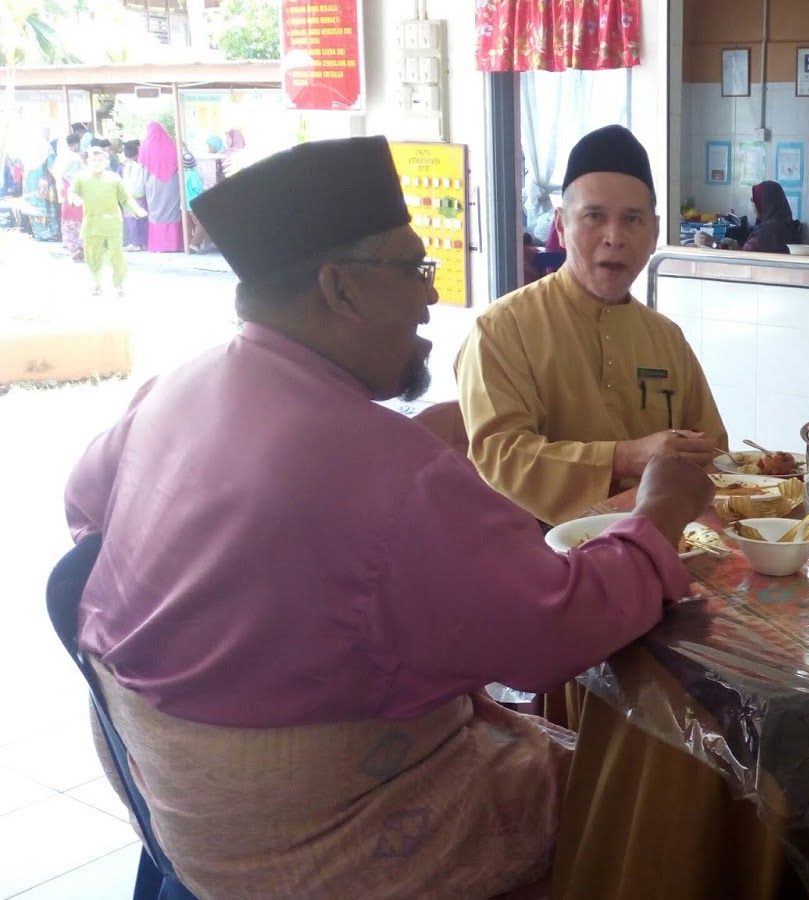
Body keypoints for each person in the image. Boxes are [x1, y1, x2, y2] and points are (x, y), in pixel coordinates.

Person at [64, 135, 714, 898]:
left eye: (633, 220)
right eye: (414, 270)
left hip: (170, 795)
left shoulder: (176, 387)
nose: (430, 299)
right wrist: (658, 512)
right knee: (667, 806)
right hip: (323, 836)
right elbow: (558, 631)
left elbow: (84, 516)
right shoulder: (394, 465)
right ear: (341, 289)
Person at [456, 124, 728, 525]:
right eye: (594, 216)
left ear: (654, 232)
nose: (614, 237)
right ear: (561, 225)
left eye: (632, 219)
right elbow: (502, 459)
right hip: (540, 549)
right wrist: (624, 458)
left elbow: (714, 454)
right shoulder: (502, 330)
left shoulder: (666, 338)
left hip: (663, 544)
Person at [68, 147, 145, 296]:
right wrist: (74, 199)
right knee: (92, 257)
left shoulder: (114, 178)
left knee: (116, 255)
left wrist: (136, 209)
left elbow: (125, 198)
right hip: (92, 225)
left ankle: (119, 284)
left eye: (100, 160)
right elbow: (72, 192)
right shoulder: (80, 178)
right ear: (87, 161)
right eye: (93, 160)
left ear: (106, 162)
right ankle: (96, 284)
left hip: (112, 224)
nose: (96, 163)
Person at [140, 122, 183, 253]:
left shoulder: (145, 147)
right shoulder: (171, 145)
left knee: (156, 212)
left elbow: (142, 166)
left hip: (153, 185)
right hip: (171, 184)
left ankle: (159, 245)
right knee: (172, 210)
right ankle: (174, 244)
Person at [742, 180, 803, 253]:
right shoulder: (787, 224)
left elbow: (747, 255)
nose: (753, 205)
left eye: (754, 200)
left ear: (765, 202)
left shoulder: (768, 229)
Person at [53, 133, 84, 260]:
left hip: (64, 189)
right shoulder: (75, 157)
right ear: (76, 144)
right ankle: (79, 247)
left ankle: (72, 247)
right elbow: (83, 174)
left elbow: (55, 172)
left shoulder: (61, 156)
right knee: (78, 218)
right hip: (75, 189)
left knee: (68, 218)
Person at [120, 140, 147, 250]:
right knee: (142, 219)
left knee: (131, 220)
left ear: (125, 155)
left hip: (128, 198)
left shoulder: (122, 167)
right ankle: (144, 243)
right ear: (137, 155)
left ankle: (136, 243)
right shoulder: (141, 166)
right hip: (141, 196)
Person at [181, 150, 209, 251]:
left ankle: (187, 245)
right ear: (194, 164)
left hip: (183, 204)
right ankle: (195, 243)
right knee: (201, 224)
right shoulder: (194, 175)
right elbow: (197, 189)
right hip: (193, 204)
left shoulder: (181, 174)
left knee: (187, 226)